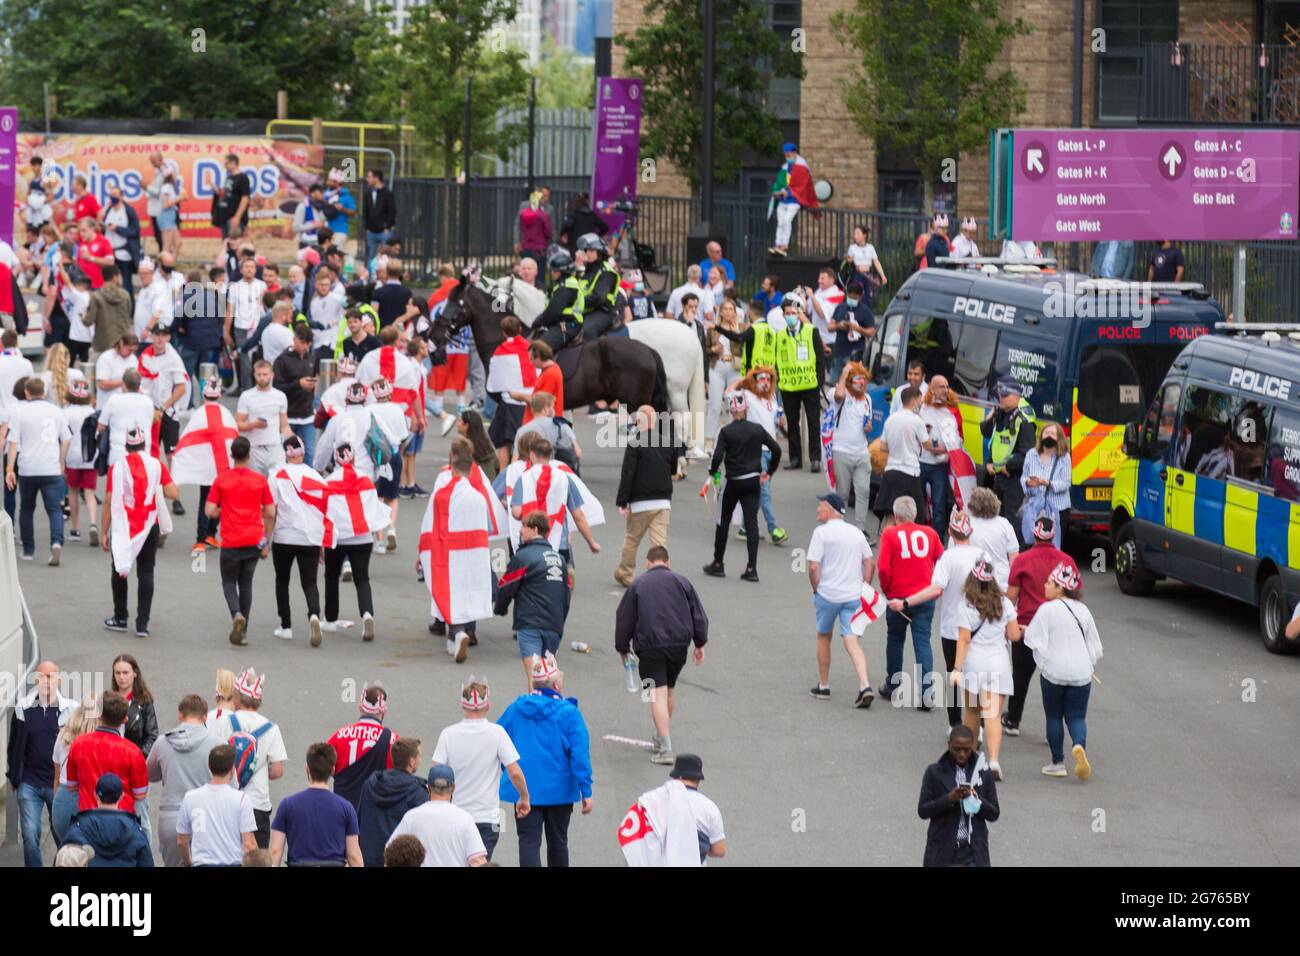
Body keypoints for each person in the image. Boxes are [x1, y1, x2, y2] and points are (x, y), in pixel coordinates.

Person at [890, 510, 984, 731]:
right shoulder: (983, 555)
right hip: (978, 626)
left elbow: (934, 590)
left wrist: (905, 602)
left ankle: (955, 724)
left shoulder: (948, 558)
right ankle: (976, 725)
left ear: (950, 532)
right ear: (971, 532)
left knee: (954, 673)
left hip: (952, 627)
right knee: (974, 675)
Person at [497, 654, 593, 868]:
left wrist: (501, 771)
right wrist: (585, 790)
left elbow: (498, 740)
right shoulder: (569, 713)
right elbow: (580, 755)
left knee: (528, 842)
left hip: (524, 790)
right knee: (559, 843)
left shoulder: (516, 709)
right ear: (557, 684)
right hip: (560, 792)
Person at [615, 545, 709, 764]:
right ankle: (660, 734)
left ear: (648, 563)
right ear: (668, 562)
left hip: (649, 649)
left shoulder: (638, 584)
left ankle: (665, 747)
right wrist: (700, 643)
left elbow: (624, 618)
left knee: (655, 693)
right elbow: (698, 613)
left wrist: (623, 648)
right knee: (668, 690)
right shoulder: (682, 582)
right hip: (679, 646)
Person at [433, 679, 530, 860]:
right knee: (482, 862)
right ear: (488, 705)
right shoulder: (497, 733)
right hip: (488, 818)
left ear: (463, 705)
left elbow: (436, 773)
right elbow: (514, 772)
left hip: (455, 815)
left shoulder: (448, 734)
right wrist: (524, 797)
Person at [1024, 562, 1102, 780]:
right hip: (1081, 673)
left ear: (1060, 588)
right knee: (1077, 717)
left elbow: (1033, 639)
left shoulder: (1047, 609)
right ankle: (1079, 746)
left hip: (1054, 672)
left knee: (1054, 716)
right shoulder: (1083, 610)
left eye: (1050, 582)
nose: (1045, 585)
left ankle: (1057, 762)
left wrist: (1025, 632)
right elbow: (1093, 644)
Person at [102, 426, 179, 637]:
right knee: (146, 572)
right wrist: (155, 487)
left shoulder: (117, 467)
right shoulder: (156, 465)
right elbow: (173, 492)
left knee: (120, 570)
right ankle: (142, 624)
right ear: (144, 445)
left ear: (126, 446)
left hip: (124, 526)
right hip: (148, 524)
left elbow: (109, 500)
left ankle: (120, 617)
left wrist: (103, 531)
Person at [951, 554, 1022, 780]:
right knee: (993, 715)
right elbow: (1013, 635)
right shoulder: (1005, 603)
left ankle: (970, 758)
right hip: (998, 662)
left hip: (973, 664)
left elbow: (964, 639)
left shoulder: (966, 605)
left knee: (972, 712)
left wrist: (956, 668)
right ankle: (993, 761)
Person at [1003, 515, 1076, 737]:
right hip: (1057, 628)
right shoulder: (1067, 561)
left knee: (1021, 676)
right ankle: (1053, 729)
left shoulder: (1022, 560)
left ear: (1033, 534)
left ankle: (1013, 720)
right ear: (1054, 535)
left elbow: (1011, 597)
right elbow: (1075, 595)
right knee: (1055, 679)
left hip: (1027, 626)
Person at [806, 492, 877, 706]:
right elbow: (870, 562)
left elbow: (813, 565)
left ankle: (824, 685)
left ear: (830, 509)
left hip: (828, 594)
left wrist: (817, 587)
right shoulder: (856, 533)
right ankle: (864, 684)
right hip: (853, 595)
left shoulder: (821, 533)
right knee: (852, 639)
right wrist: (864, 586)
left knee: (823, 636)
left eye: (821, 506)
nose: (818, 510)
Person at [205, 436, 276, 646]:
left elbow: (209, 510)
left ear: (232, 455)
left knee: (228, 582)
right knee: (246, 584)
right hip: (254, 539)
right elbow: (271, 512)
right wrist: (255, 510)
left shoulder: (222, 479)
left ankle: (236, 613)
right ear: (249, 455)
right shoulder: (260, 480)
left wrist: (224, 509)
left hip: (231, 539)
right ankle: (243, 631)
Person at [702, 394, 781, 581]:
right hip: (753, 480)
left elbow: (718, 456)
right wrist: (769, 471)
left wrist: (713, 472)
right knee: (752, 522)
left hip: (733, 480)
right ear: (746, 409)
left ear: (730, 410)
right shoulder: (757, 429)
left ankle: (718, 563)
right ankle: (752, 568)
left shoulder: (726, 431)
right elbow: (776, 449)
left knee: (723, 520)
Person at [6, 660, 75, 867]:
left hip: (59, 785)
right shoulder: (23, 707)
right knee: (30, 834)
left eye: (50, 676)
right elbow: (14, 745)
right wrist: (14, 776)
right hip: (29, 782)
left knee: (64, 836)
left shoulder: (71, 709)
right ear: (35, 680)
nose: (46, 681)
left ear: (59, 680)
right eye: (41, 676)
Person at [210, 668, 288, 849]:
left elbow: (212, 758)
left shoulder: (224, 722)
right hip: (257, 804)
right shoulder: (271, 728)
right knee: (257, 857)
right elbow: (277, 770)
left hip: (225, 801)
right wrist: (253, 768)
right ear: (259, 701)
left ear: (237, 697)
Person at [878, 496, 944, 707]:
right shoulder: (930, 533)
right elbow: (941, 561)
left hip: (898, 596)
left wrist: (887, 590)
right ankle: (926, 692)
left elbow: (883, 568)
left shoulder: (890, 534)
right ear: (915, 514)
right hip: (923, 596)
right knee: (922, 642)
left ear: (896, 516)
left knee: (895, 638)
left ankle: (893, 684)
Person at [495, 511, 572, 689]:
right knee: (551, 677)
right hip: (554, 625)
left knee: (535, 678)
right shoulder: (560, 560)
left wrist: (500, 608)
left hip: (530, 624)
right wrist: (559, 622)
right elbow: (566, 596)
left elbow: (506, 586)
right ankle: (554, 712)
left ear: (535, 529)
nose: (520, 531)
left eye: (523, 526)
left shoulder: (523, 557)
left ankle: (535, 715)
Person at [320, 443, 389, 640]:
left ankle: (331, 619)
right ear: (354, 458)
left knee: (331, 576)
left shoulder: (329, 481)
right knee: (362, 578)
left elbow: (325, 513)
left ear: (336, 459)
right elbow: (374, 509)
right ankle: (367, 614)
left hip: (339, 537)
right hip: (362, 537)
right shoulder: (365, 479)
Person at [146, 694, 222, 867]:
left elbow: (149, 774)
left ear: (180, 714)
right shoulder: (218, 744)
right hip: (206, 814)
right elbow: (231, 785)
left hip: (171, 816)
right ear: (205, 716)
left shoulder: (162, 743)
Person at [5, 378, 72, 564]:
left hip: (28, 468)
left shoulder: (20, 412)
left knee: (26, 508)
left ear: (26, 392)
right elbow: (67, 438)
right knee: (54, 509)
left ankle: (28, 549)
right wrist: (61, 461)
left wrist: (10, 468)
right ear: (43, 392)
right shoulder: (56, 411)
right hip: (51, 467)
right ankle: (57, 542)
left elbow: (13, 443)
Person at [614, 406, 683, 587]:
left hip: (640, 501)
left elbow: (627, 474)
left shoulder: (635, 443)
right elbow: (674, 470)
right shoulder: (668, 442)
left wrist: (622, 501)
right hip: (663, 501)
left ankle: (625, 573)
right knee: (659, 542)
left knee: (632, 539)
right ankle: (661, 577)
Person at [268, 433, 324, 646]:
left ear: (285, 453)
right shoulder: (316, 477)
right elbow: (322, 511)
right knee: (309, 582)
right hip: (309, 537)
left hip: (284, 535)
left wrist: (267, 537)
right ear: (303, 453)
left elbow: (271, 510)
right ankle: (314, 615)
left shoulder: (276, 475)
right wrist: (321, 542)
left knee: (282, 580)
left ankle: (286, 625)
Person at [509, 437, 601, 566]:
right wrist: (591, 542)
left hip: (530, 541)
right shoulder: (564, 478)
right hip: (559, 541)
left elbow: (516, 512)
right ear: (550, 455)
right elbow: (578, 516)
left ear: (532, 455)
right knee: (558, 578)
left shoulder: (524, 478)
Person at [270, 742, 363, 867]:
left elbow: (275, 851)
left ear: (307, 769)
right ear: (332, 770)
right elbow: (354, 855)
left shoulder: (287, 805)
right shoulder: (346, 808)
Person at [622, 754, 725, 866]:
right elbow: (719, 850)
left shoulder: (652, 800)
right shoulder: (710, 808)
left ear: (675, 776)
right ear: (698, 779)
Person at [918, 725, 999, 867]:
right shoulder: (934, 772)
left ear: (973, 746)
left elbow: (994, 813)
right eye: (957, 749)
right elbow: (923, 810)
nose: (962, 754)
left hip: (972, 851)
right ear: (949, 745)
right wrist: (949, 798)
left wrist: (977, 800)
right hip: (944, 850)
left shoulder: (983, 773)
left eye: (967, 750)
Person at [63, 692, 149, 826]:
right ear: (125, 719)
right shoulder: (133, 752)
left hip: (88, 822)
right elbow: (140, 795)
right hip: (122, 823)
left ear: (99, 716)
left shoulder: (78, 744)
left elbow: (71, 786)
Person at [387, 763, 488, 867]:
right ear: (453, 788)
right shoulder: (465, 819)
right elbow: (478, 861)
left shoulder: (411, 816)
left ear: (428, 787)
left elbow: (391, 851)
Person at [176, 745, 258, 867]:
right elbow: (249, 844)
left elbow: (181, 841)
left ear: (209, 766)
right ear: (232, 769)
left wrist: (189, 862)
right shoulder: (241, 799)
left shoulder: (190, 797)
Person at [357, 736, 427, 868]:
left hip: (368, 860)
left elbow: (359, 822)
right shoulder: (418, 792)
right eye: (419, 756)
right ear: (411, 761)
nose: (420, 759)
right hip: (400, 861)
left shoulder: (371, 784)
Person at [774, 292, 825, 472]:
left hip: (809, 384)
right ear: (783, 315)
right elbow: (777, 360)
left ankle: (815, 459)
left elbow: (820, 358)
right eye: (787, 313)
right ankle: (795, 458)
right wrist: (779, 380)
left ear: (799, 314)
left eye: (793, 313)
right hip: (788, 386)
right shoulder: (779, 336)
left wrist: (820, 382)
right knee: (792, 423)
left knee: (813, 422)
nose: (790, 316)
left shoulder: (811, 331)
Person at [980, 378, 1037, 536]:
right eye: (999, 394)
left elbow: (1027, 454)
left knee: (1012, 522)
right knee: (995, 519)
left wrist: (1008, 466)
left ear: (1017, 396)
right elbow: (989, 434)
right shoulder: (1002, 412)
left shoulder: (1023, 420)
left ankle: (1014, 558)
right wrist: (989, 462)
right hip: (999, 476)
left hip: (1014, 479)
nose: (1001, 398)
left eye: (1005, 395)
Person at [61, 772, 153, 868]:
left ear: (95, 795)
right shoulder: (136, 832)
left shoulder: (76, 830)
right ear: (121, 796)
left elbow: (62, 861)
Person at [327, 685, 396, 810]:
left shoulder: (339, 736)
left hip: (344, 809)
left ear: (360, 707)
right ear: (383, 711)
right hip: (376, 812)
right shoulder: (393, 740)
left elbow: (322, 766)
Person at [876, 385, 933, 533]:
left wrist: (898, 448)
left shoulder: (890, 419)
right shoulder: (917, 421)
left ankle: (885, 551)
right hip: (909, 472)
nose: (921, 403)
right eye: (920, 400)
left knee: (891, 516)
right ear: (914, 400)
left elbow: (882, 446)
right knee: (911, 518)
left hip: (890, 472)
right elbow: (927, 445)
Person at [487, 315, 536, 470]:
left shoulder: (500, 351)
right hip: (529, 401)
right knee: (527, 442)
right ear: (520, 329)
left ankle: (503, 473)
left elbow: (492, 384)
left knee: (503, 442)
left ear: (503, 332)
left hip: (509, 403)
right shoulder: (530, 348)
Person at [828, 362, 874, 531]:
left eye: (863, 379)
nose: (861, 383)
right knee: (843, 493)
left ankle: (860, 530)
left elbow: (867, 423)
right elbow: (838, 396)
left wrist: (868, 427)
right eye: (857, 379)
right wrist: (844, 373)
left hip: (862, 452)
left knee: (863, 491)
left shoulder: (868, 399)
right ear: (849, 381)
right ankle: (839, 529)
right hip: (842, 452)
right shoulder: (839, 392)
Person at [918, 376, 963, 538]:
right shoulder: (923, 407)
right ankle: (917, 536)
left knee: (939, 506)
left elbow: (959, 439)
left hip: (940, 466)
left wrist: (944, 448)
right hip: (921, 463)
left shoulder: (953, 411)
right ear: (932, 389)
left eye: (947, 387)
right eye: (941, 387)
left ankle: (937, 540)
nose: (945, 390)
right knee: (918, 503)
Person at [51, 698, 98, 844]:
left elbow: (57, 778)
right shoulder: (99, 739)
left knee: (67, 854)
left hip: (62, 800)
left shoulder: (64, 734)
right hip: (88, 800)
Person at [272, 324, 318, 465]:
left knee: (309, 455)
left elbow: (316, 376)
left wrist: (313, 386)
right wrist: (298, 384)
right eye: (302, 343)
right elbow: (277, 388)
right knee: (287, 456)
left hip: (308, 417)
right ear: (294, 339)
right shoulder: (282, 360)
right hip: (289, 418)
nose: (305, 347)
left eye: (308, 344)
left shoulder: (311, 358)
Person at [61, 377, 99, 545]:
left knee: (73, 492)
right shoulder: (92, 411)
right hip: (90, 457)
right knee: (89, 493)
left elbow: (62, 437)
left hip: (71, 457)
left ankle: (75, 529)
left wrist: (60, 460)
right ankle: (93, 523)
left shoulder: (65, 413)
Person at [1019, 422, 1070, 546]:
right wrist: (1028, 482)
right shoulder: (1031, 454)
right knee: (1033, 544)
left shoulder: (1064, 457)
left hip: (1058, 509)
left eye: (1053, 434)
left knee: (1053, 545)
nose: (1049, 436)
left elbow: (1066, 483)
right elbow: (1023, 476)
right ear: (1041, 435)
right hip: (1035, 508)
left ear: (1059, 438)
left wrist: (1047, 483)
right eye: (1046, 433)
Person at [236, 359, 290, 475]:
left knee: (279, 484)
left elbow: (284, 426)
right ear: (254, 374)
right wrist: (253, 425)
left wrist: (292, 441)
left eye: (265, 374)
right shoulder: (246, 396)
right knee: (255, 487)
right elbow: (239, 424)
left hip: (275, 447)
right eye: (258, 374)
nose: (262, 378)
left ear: (272, 375)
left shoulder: (280, 396)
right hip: (254, 448)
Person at [768, 142, 819, 256]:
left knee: (787, 220)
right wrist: (777, 191)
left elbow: (802, 186)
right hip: (783, 200)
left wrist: (789, 192)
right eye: (785, 155)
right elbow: (778, 182)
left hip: (794, 201)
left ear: (794, 153)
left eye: (789, 155)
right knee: (780, 222)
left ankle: (785, 245)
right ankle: (778, 244)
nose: (787, 158)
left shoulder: (802, 167)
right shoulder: (784, 168)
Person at [97, 367, 154, 468]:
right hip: (143, 458)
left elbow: (101, 426)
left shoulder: (114, 400)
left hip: (118, 457)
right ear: (139, 385)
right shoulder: (148, 402)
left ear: (123, 384)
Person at [965, 486, 1020, 590]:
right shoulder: (1004, 524)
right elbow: (1014, 558)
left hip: (973, 581)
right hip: (1002, 581)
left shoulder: (966, 524)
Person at [533, 252, 585, 355]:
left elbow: (553, 312)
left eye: (555, 271)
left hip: (567, 324)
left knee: (539, 348)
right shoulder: (561, 285)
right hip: (562, 322)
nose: (552, 273)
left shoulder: (567, 287)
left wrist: (540, 322)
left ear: (563, 272)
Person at [574, 233, 622, 339]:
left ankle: (592, 355)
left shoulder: (606, 272)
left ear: (599, 252)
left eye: (592, 250)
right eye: (587, 250)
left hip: (603, 311)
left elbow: (599, 298)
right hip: (586, 310)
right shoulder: (586, 271)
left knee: (587, 329)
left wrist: (576, 302)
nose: (588, 253)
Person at [827, 281, 875, 382]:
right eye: (850, 296)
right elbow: (830, 327)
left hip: (855, 354)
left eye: (854, 297)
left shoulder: (865, 311)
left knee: (854, 382)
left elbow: (871, 332)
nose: (852, 299)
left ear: (860, 297)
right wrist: (838, 326)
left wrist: (858, 328)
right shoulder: (840, 308)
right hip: (839, 352)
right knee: (835, 382)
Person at [844, 224, 887, 305]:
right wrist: (849, 260)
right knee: (857, 297)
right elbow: (849, 263)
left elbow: (876, 262)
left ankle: (866, 316)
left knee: (868, 298)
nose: (855, 236)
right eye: (854, 234)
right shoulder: (852, 248)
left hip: (868, 276)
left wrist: (882, 275)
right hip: (857, 275)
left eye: (858, 234)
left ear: (864, 235)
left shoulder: (870, 247)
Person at [211, 153, 252, 238]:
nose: (224, 166)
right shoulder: (229, 178)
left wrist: (237, 217)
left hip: (234, 218)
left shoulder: (242, 178)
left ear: (233, 163)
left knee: (235, 244)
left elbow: (245, 198)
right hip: (225, 217)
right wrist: (217, 191)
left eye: (226, 163)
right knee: (227, 243)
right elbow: (226, 194)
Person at [362, 168, 397, 262]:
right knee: (371, 255)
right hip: (371, 231)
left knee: (386, 254)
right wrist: (367, 226)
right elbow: (366, 210)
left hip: (384, 231)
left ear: (376, 178)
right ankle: (371, 275)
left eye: (369, 177)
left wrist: (388, 226)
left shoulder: (387, 193)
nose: (367, 179)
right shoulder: (368, 193)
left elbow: (392, 211)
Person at [457, 409, 498, 480]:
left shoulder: (464, 447)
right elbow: (497, 466)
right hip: (489, 485)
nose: (457, 424)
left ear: (466, 426)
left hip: (472, 485)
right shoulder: (487, 446)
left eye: (459, 421)